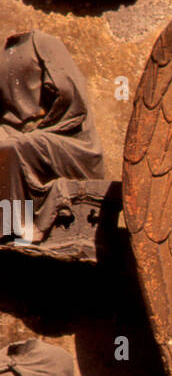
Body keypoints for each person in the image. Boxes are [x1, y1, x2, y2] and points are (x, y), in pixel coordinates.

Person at [0, 31, 103, 244]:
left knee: (11, 148)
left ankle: (15, 227)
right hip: (22, 134)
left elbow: (69, 96)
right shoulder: (5, 53)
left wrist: (40, 127)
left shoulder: (42, 42)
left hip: (69, 141)